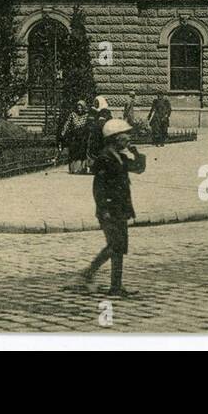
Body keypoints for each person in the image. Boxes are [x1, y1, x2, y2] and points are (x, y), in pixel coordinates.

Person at [79, 118, 146, 297]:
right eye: (126, 135)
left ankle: (114, 286)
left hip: (120, 208)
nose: (129, 137)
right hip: (109, 209)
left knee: (118, 247)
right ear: (116, 137)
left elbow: (139, 168)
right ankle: (89, 274)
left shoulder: (119, 156)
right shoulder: (105, 158)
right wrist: (104, 209)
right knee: (115, 245)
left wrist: (136, 152)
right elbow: (98, 187)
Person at [60, 100, 90, 174]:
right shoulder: (73, 114)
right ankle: (73, 169)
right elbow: (67, 124)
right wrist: (63, 132)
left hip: (83, 136)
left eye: (81, 108)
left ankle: (82, 168)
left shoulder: (86, 115)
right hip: (74, 136)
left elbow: (89, 125)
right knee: (73, 151)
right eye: (78, 108)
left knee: (82, 152)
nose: (79, 109)